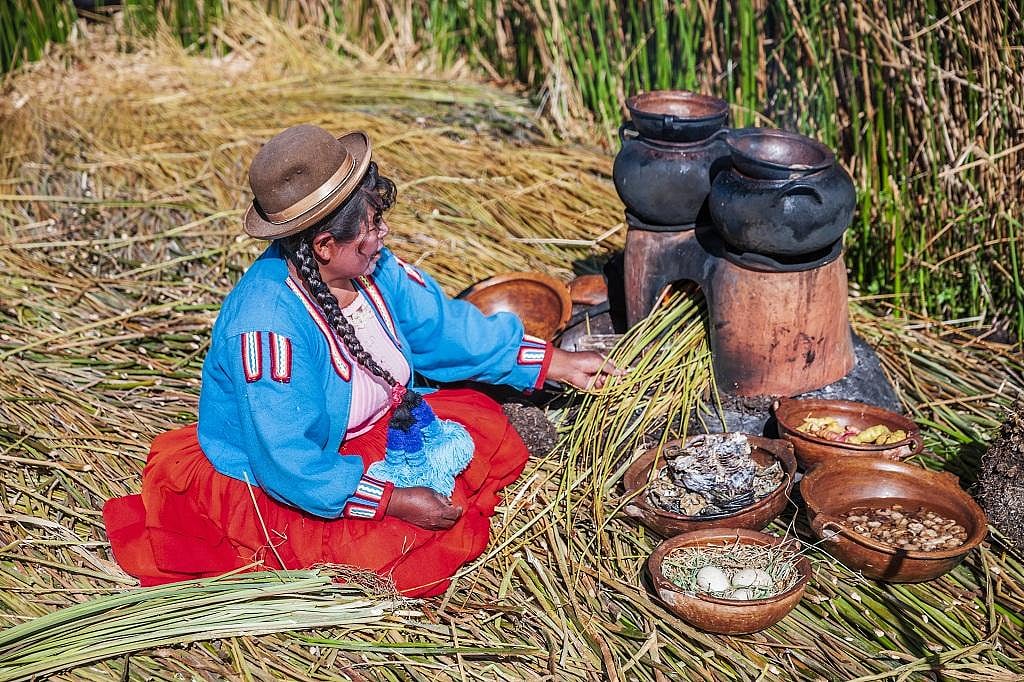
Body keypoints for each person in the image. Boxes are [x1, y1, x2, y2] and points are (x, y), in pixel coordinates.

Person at [103, 124, 619, 597]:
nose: (383, 237)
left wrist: (547, 361)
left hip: (371, 432)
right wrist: (390, 498)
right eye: (371, 227)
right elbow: (288, 458)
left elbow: (439, 325)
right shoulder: (267, 324)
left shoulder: (371, 266)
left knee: (479, 437)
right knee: (399, 548)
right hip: (299, 473)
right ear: (325, 245)